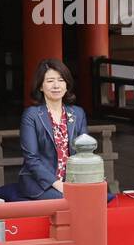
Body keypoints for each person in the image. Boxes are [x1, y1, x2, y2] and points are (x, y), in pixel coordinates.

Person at [18, 59, 88, 200]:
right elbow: (31, 158)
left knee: (100, 198)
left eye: (61, 80)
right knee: (70, 201)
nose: (56, 86)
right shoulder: (32, 115)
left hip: (72, 180)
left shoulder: (78, 113)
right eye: (50, 81)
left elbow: (84, 152)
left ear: (67, 84)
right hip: (40, 182)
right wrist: (58, 184)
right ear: (41, 86)